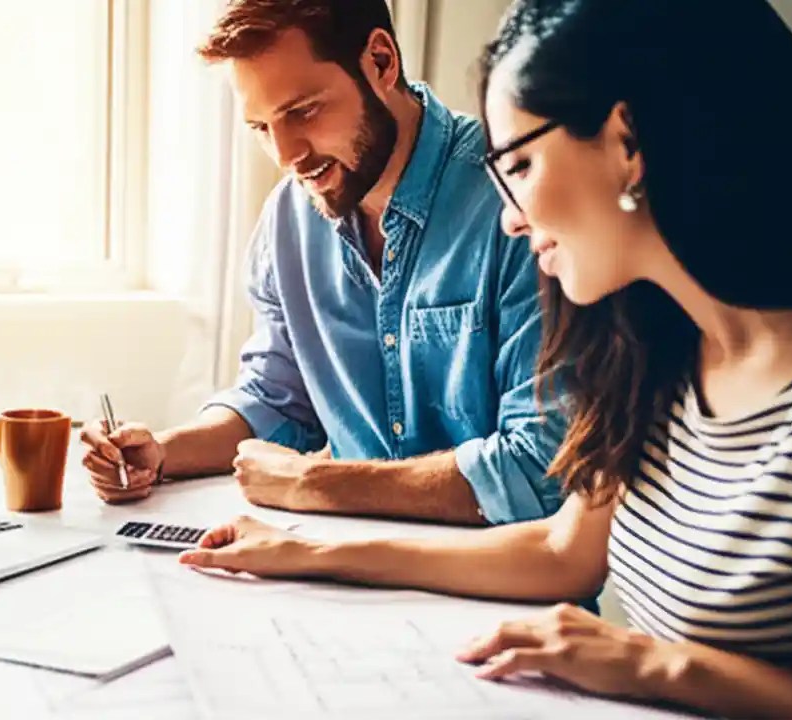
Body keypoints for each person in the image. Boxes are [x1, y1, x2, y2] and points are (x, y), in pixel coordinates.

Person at [176, 0, 792, 716]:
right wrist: (313, 553)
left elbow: (637, 637)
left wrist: (658, 664)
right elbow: (563, 553)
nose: (509, 215)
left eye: (519, 164)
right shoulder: (655, 355)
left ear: (626, 142)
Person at [80, 0, 565, 526]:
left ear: (380, 62)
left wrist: (315, 484)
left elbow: (542, 469)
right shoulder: (288, 221)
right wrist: (160, 453)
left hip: (496, 592)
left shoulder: (514, 203)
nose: (287, 156)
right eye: (262, 128)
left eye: (303, 110)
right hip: (335, 575)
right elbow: (275, 401)